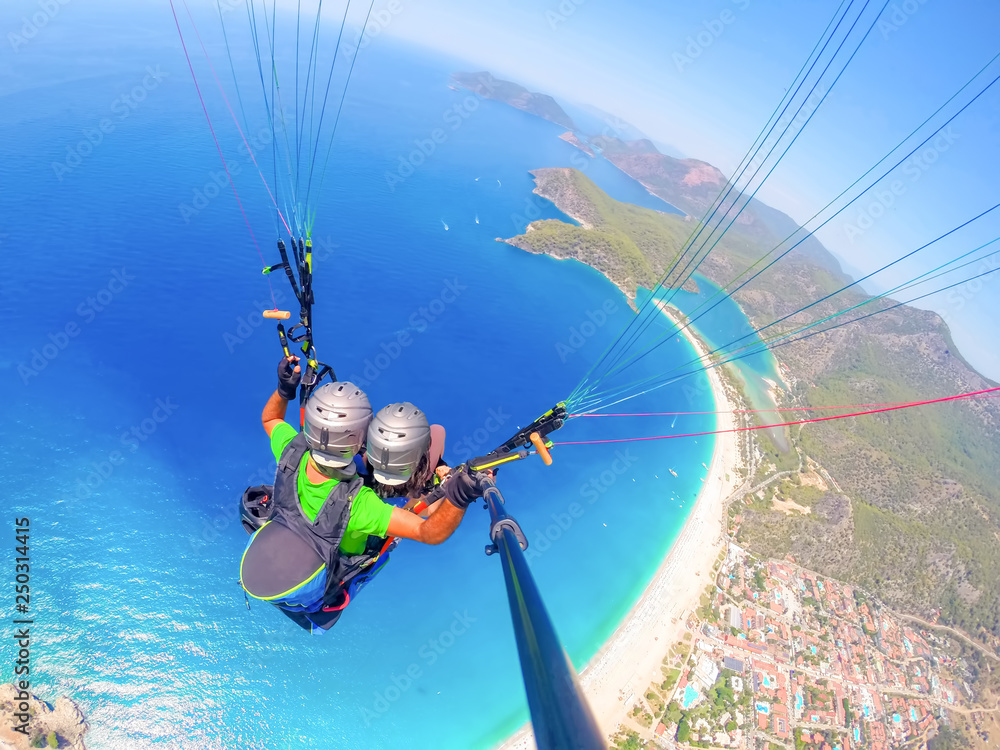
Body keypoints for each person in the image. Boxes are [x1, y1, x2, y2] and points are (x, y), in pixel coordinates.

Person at [239, 356, 488, 634]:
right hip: (343, 551)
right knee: (424, 469)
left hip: (302, 535)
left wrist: (284, 389)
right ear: (360, 441)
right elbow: (429, 533)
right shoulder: (359, 505)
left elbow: (270, 418)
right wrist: (461, 495)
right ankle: (425, 482)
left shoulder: (290, 451)